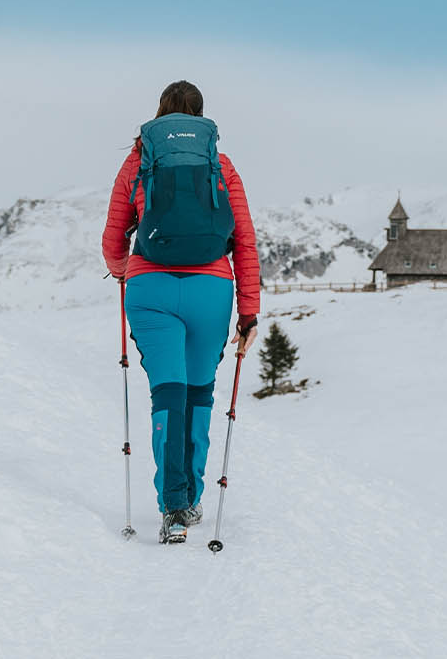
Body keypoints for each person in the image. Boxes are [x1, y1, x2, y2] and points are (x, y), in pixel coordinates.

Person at [103, 80, 260, 545]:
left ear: (160, 117)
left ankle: (172, 506)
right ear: (202, 120)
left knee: (166, 394)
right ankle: (190, 497)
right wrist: (249, 313)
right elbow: (245, 242)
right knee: (198, 395)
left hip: (149, 287)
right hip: (211, 289)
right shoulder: (221, 166)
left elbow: (114, 239)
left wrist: (122, 272)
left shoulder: (137, 163)